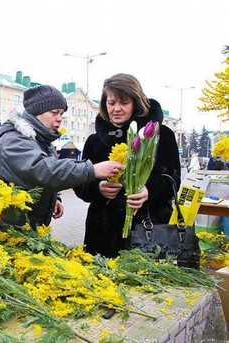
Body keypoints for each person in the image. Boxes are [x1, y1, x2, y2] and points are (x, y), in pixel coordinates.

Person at [0, 85, 123, 230]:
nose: (60, 119)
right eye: (55, 113)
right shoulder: (14, 139)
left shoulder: (41, 141)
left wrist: (54, 198)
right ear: (37, 112)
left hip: (21, 228)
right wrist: (92, 170)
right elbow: (43, 170)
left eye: (61, 114)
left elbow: (42, 175)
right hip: (1, 229)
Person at [75, 74, 181, 257]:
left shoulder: (161, 135)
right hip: (101, 235)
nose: (116, 108)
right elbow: (81, 182)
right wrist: (98, 187)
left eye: (123, 102)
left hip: (147, 229)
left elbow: (173, 180)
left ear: (136, 103)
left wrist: (149, 190)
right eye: (111, 102)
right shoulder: (95, 141)